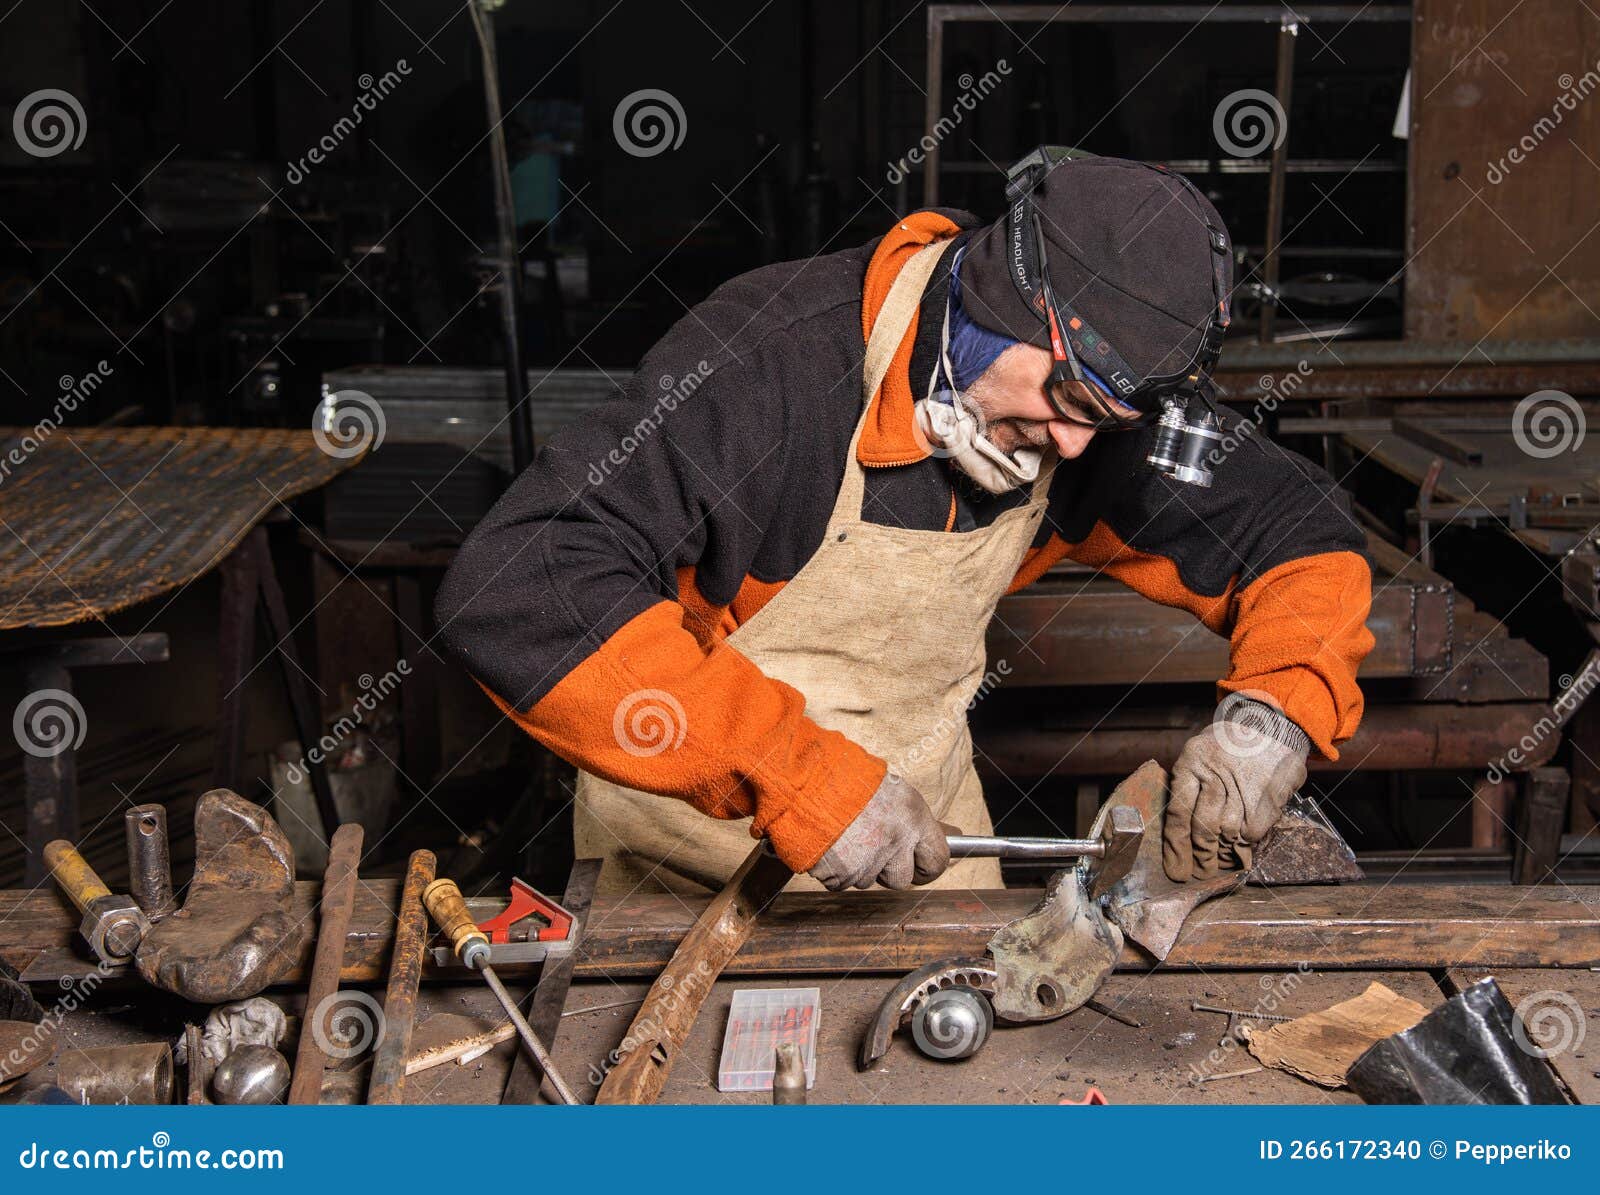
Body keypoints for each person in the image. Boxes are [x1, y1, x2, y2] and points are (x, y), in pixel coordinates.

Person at [436, 152, 1374, 897]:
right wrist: (798, 779)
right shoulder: (773, 366)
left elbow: (1299, 530)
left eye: (1109, 422)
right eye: (1067, 399)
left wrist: (1276, 716)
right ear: (1001, 301)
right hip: (684, 865)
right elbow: (520, 581)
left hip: (932, 859)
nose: (1077, 447)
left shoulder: (1089, 415)